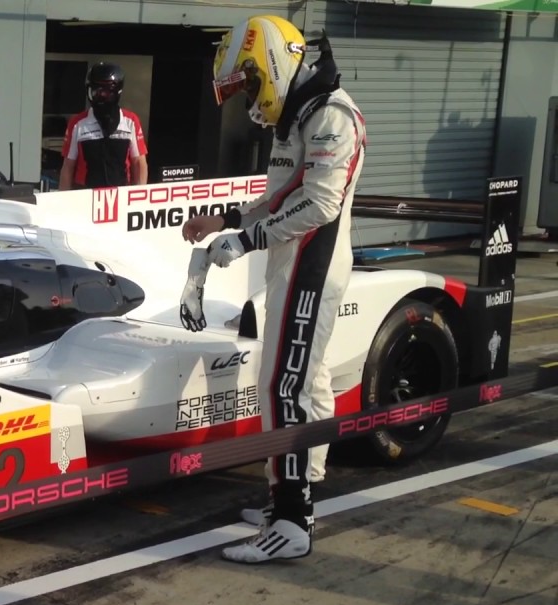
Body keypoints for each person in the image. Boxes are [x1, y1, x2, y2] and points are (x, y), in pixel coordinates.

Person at [180, 16, 365, 564]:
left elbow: (319, 204)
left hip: (313, 267)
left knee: (283, 387)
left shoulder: (333, 116)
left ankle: (290, 520)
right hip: (294, 263)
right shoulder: (301, 112)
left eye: (250, 83)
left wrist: (247, 240)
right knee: (308, 383)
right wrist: (227, 219)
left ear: (275, 67)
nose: (250, 101)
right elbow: (283, 194)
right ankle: (295, 499)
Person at [58, 63, 148, 190]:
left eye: (107, 92)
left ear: (116, 92)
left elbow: (139, 163)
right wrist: (63, 201)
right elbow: (68, 166)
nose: (101, 96)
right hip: (86, 195)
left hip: (119, 194)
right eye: (96, 92)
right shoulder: (77, 123)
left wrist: (139, 196)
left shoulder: (130, 121)